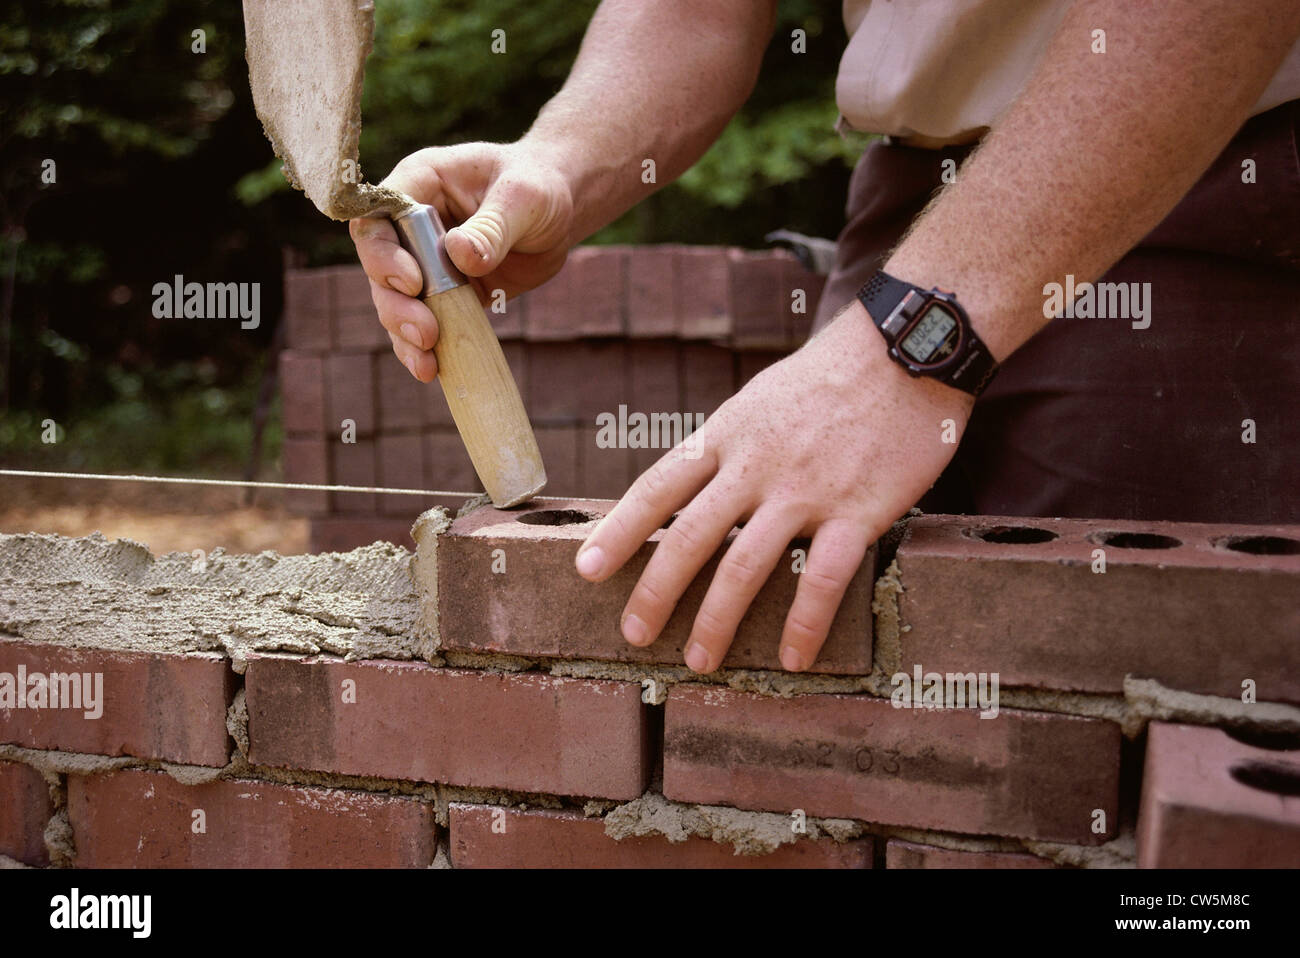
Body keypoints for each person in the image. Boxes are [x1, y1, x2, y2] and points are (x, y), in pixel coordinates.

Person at [350, 0, 1300, 676]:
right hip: (908, 218)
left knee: (1125, 727)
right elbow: (695, 13)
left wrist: (911, 345)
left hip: (1184, 186)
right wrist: (558, 163)